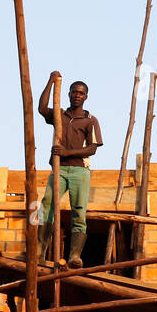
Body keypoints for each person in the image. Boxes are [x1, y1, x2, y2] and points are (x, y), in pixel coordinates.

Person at [37, 72, 103, 267]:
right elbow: (41, 108)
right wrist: (50, 81)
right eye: (74, 92)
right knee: (46, 206)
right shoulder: (60, 115)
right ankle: (39, 253)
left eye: (81, 93)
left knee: (79, 211)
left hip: (79, 171)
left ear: (86, 97)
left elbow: (92, 148)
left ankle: (74, 256)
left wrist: (66, 153)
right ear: (68, 94)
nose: (77, 96)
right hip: (59, 170)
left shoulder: (90, 120)